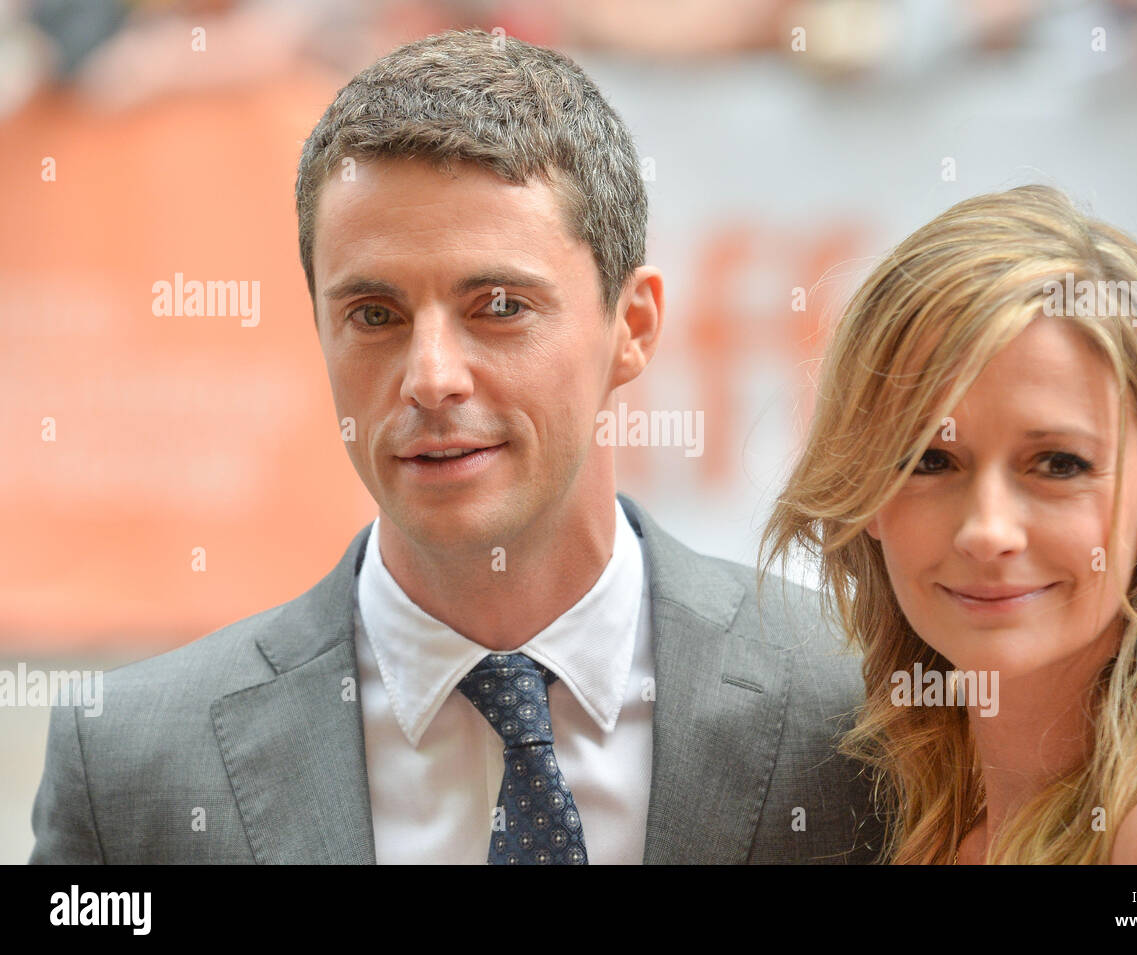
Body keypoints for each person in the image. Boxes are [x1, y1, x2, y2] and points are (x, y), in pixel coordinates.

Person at [28, 29, 881, 865]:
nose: (431, 378)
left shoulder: (857, 712)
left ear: (634, 326)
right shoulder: (132, 765)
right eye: (374, 315)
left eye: (500, 306)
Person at [760, 185, 1137, 864]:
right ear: (866, 493)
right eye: (931, 459)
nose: (987, 530)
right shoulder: (933, 814)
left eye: (1058, 464)